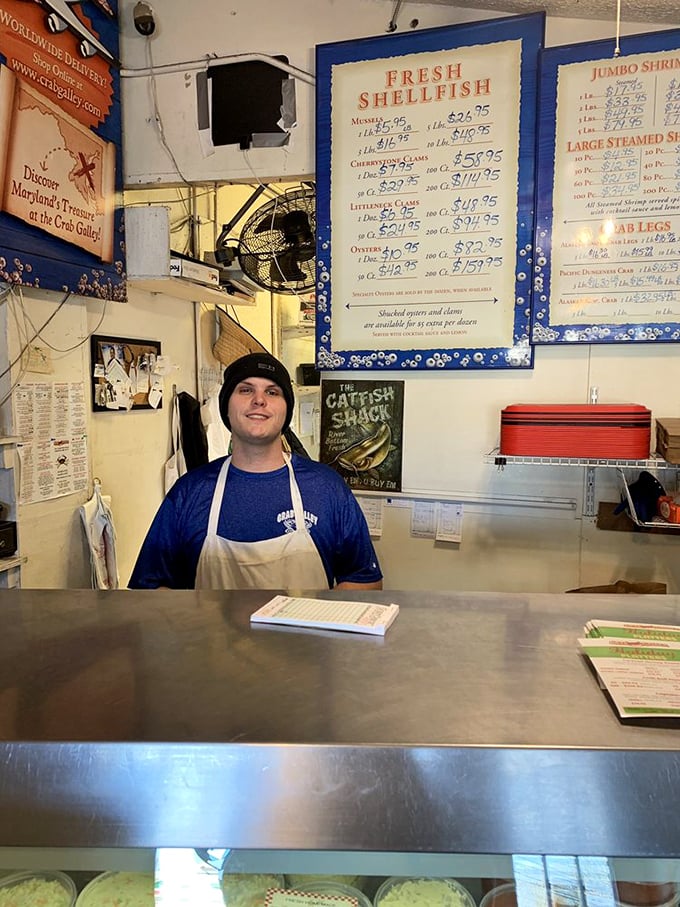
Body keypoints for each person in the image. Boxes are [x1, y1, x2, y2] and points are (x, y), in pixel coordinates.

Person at [129, 352, 383, 591]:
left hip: (306, 638)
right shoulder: (189, 492)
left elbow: (364, 581)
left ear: (286, 412)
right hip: (211, 638)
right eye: (246, 389)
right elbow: (150, 588)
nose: (259, 400)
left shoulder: (326, 487)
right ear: (226, 407)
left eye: (272, 392)